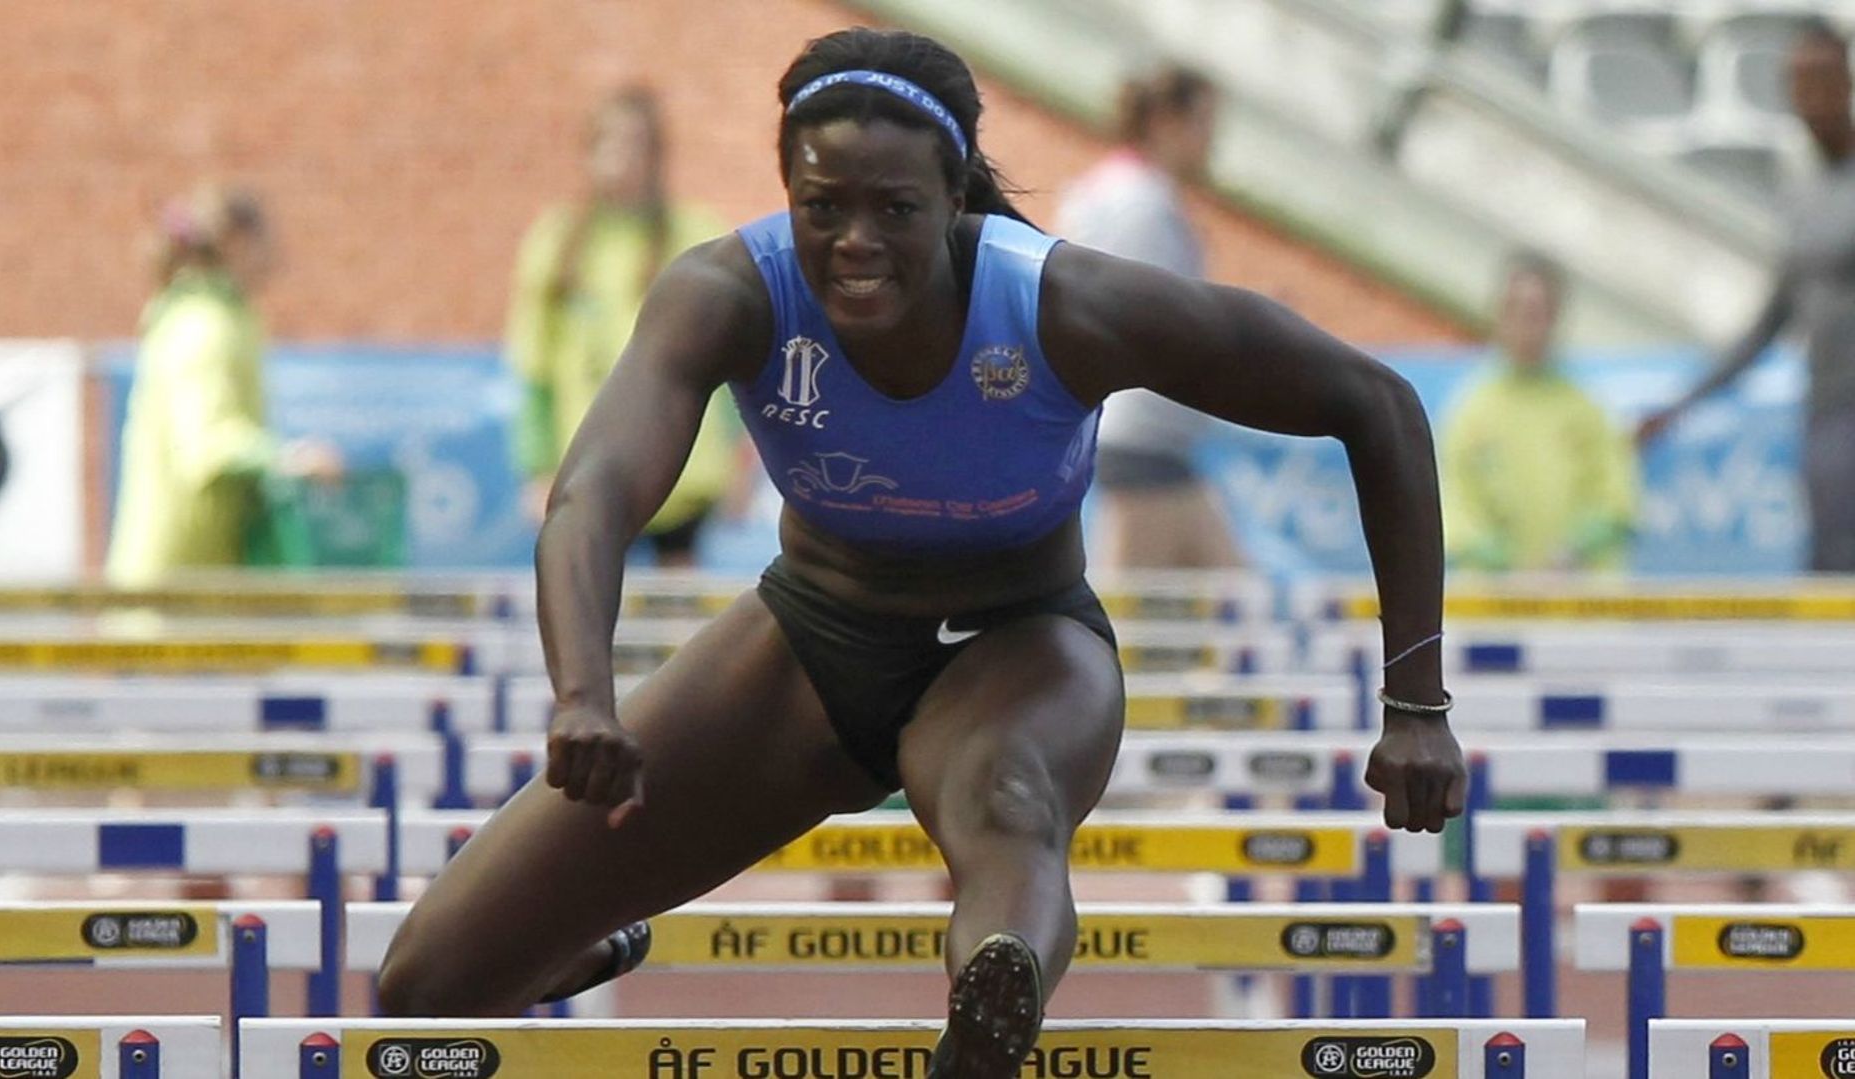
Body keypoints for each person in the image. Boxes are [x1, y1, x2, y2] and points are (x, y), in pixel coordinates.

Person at [378, 28, 1464, 1076]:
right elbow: (592, 493)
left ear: (956, 201)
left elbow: (1377, 405)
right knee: (423, 988)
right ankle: (585, 939)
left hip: (1019, 645)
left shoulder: (1062, 306)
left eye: (894, 209)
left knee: (1008, 803)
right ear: (785, 194)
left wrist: (1417, 705)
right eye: (822, 208)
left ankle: (992, 1012)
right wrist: (582, 692)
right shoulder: (729, 293)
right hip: (811, 639)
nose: (854, 242)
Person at [1638, 19, 1855, 573]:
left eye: (1821, 79)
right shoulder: (1803, 199)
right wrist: (1684, 401)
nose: (1809, 98)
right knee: (1831, 577)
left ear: (1847, 82)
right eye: (1797, 84)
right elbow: (1771, 322)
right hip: (1826, 412)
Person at [505, 86, 736, 567]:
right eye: (607, 143)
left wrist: (741, 458)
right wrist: (538, 466)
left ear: (655, 154)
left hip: (683, 470)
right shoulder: (557, 241)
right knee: (593, 608)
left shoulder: (696, 234)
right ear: (587, 151)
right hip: (593, 464)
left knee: (677, 621)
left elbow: (735, 355)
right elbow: (534, 367)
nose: (618, 157)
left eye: (632, 144)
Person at [1056, 65, 1245, 569]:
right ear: (1165, 121)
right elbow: (1164, 317)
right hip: (1141, 428)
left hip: (1133, 427)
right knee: (1137, 616)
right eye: (1203, 124)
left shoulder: (1103, 192)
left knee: (1210, 605)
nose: (1211, 142)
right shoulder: (1145, 206)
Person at [106, 186, 340, 586]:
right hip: (174, 596)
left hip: (194, 583)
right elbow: (205, 442)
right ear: (236, 241)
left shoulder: (210, 319)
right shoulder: (205, 327)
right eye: (264, 239)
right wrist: (289, 458)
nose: (274, 254)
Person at [1441, 251, 1637, 573]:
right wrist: (1505, 565)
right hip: (1495, 610)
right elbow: (1456, 511)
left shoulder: (1586, 408)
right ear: (1499, 314)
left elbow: (1616, 504)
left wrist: (1572, 554)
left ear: (1555, 317)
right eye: (1515, 310)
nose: (1526, 325)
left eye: (1537, 312)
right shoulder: (1471, 411)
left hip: (1580, 608)